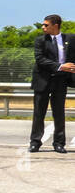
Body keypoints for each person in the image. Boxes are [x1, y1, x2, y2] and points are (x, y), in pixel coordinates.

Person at [30, 14, 75, 154]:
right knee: (39, 113)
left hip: (60, 81)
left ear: (55, 25)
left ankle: (59, 143)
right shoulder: (40, 41)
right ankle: (35, 142)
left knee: (59, 113)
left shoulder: (70, 39)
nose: (43, 27)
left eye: (46, 25)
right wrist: (61, 66)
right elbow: (40, 60)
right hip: (42, 80)